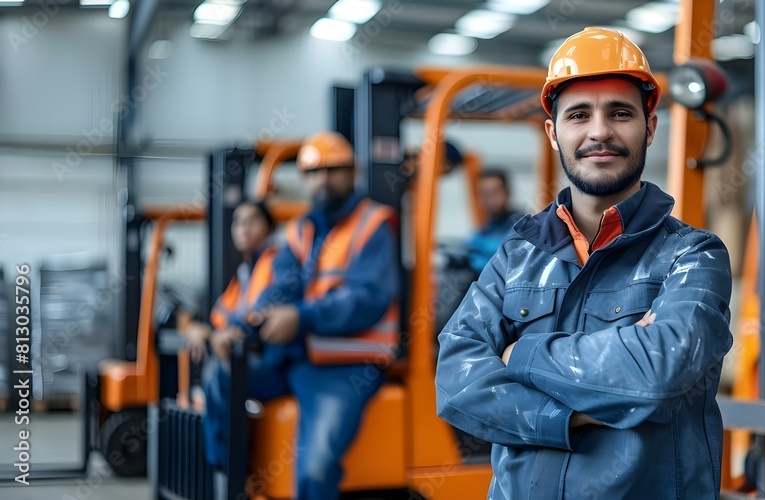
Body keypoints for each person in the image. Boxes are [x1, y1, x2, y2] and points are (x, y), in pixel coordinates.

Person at [435, 27, 733, 499]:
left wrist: (519, 355)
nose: (599, 131)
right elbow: (455, 380)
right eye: (579, 114)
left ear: (649, 128)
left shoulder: (692, 255)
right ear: (554, 132)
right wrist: (571, 413)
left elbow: (657, 374)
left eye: (620, 113)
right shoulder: (518, 256)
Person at [201, 130, 400, 500]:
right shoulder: (300, 232)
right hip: (294, 358)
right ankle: (229, 483)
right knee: (220, 374)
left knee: (316, 466)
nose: (323, 180)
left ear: (351, 172)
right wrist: (241, 328)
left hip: (345, 368)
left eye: (333, 170)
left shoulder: (373, 225)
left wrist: (302, 318)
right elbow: (278, 291)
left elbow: (368, 299)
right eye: (313, 172)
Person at [182, 200, 277, 364]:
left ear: (269, 227)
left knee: (216, 372)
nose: (244, 229)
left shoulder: (275, 263)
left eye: (252, 221)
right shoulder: (244, 273)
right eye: (238, 223)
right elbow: (220, 315)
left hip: (266, 353)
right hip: (245, 346)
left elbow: (258, 315)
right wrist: (201, 329)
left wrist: (227, 330)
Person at [467, 169, 525, 274]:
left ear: (507, 192)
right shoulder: (483, 229)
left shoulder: (522, 226)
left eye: (495, 192)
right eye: (485, 194)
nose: (490, 199)